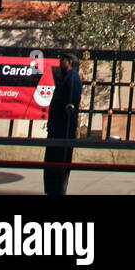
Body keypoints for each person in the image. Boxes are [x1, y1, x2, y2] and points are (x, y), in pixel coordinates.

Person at [43, 52, 82, 196]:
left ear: (70, 62)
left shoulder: (72, 77)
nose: (60, 62)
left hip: (62, 129)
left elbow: (70, 102)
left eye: (62, 60)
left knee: (58, 163)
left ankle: (57, 190)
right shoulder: (66, 77)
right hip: (57, 129)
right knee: (52, 163)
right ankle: (53, 189)